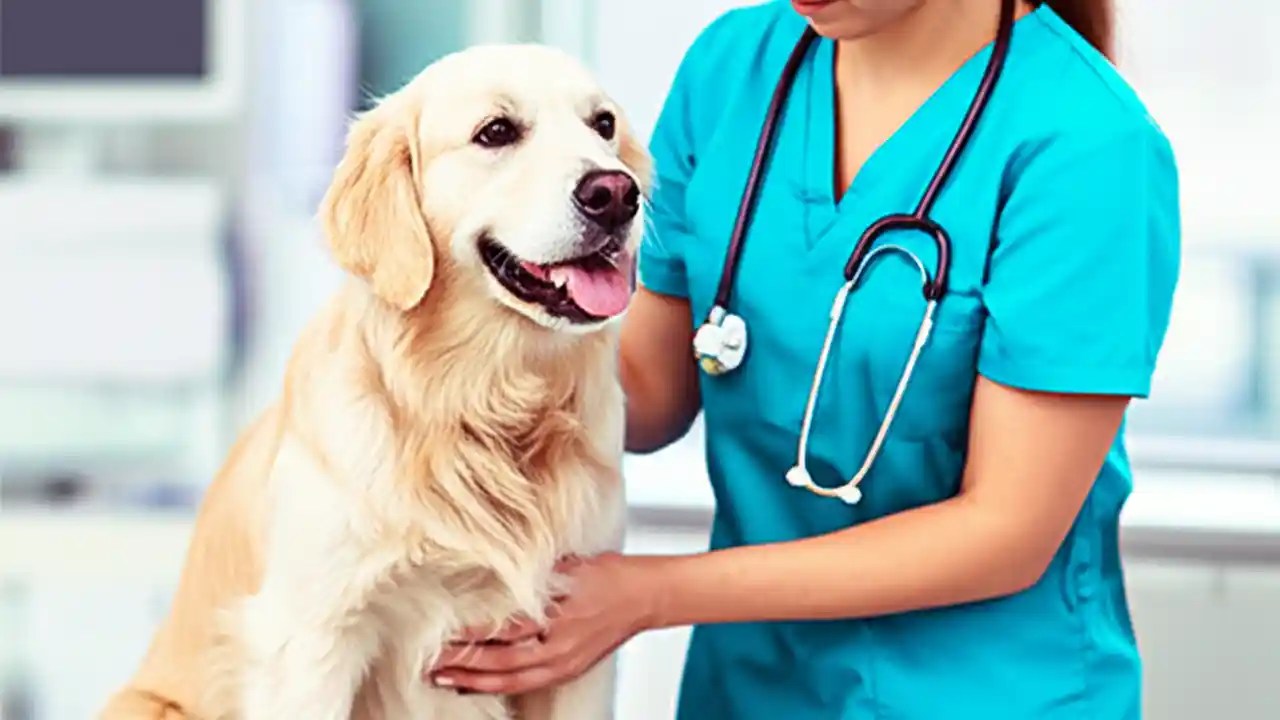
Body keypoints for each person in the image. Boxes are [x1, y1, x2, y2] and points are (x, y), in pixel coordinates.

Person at [430, 0, 1180, 716]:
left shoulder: (1088, 146)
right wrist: (446, 352)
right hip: (752, 690)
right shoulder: (735, 68)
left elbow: (1007, 532)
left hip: (987, 693)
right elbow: (648, 395)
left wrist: (648, 595)